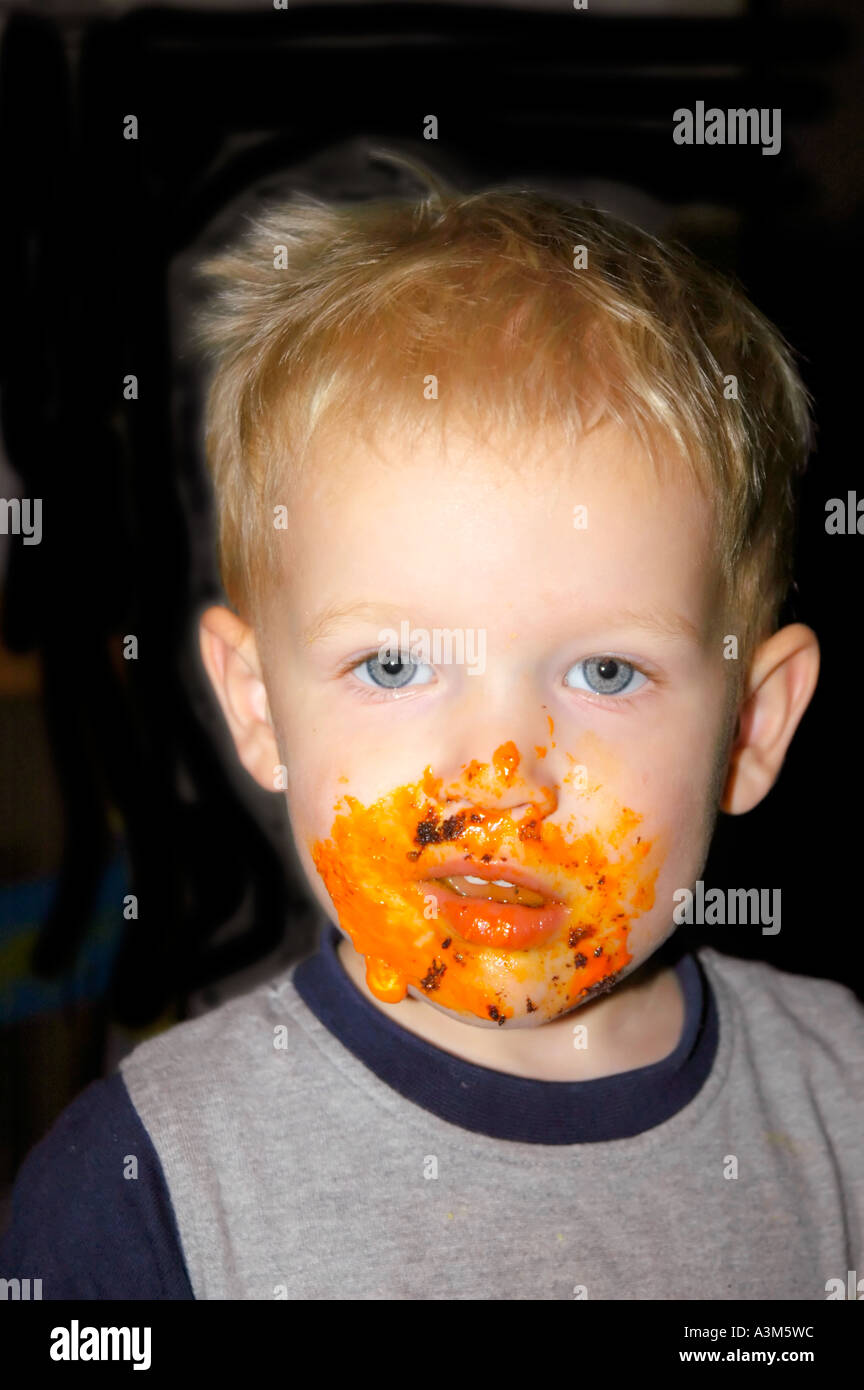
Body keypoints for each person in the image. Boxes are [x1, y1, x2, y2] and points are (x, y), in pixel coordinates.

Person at [2, 164, 861, 1300]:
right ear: (260, 709)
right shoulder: (138, 1200)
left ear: (751, 726)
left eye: (606, 670)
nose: (496, 781)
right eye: (395, 663)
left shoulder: (843, 1099)